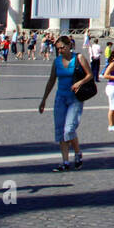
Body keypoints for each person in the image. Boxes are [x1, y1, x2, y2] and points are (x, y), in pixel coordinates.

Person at [39, 36, 93, 171]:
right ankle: (65, 161)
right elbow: (51, 81)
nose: (60, 51)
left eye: (63, 47)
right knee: (60, 130)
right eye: (58, 49)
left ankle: (77, 152)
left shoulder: (79, 58)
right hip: (60, 98)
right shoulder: (57, 61)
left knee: (69, 129)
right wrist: (44, 99)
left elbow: (90, 75)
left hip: (75, 98)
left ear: (70, 45)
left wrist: (79, 83)